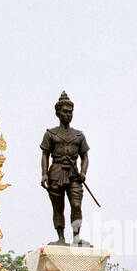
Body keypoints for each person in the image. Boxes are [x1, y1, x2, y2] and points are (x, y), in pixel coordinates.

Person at [40, 91, 90, 245]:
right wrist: (44, 175)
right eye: (65, 112)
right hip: (56, 172)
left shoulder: (79, 135)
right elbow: (45, 155)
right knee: (58, 207)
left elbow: (85, 156)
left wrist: (83, 173)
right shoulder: (50, 134)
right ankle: (61, 238)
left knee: (76, 205)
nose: (68, 114)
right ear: (58, 113)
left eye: (70, 112)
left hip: (74, 175)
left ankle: (76, 237)